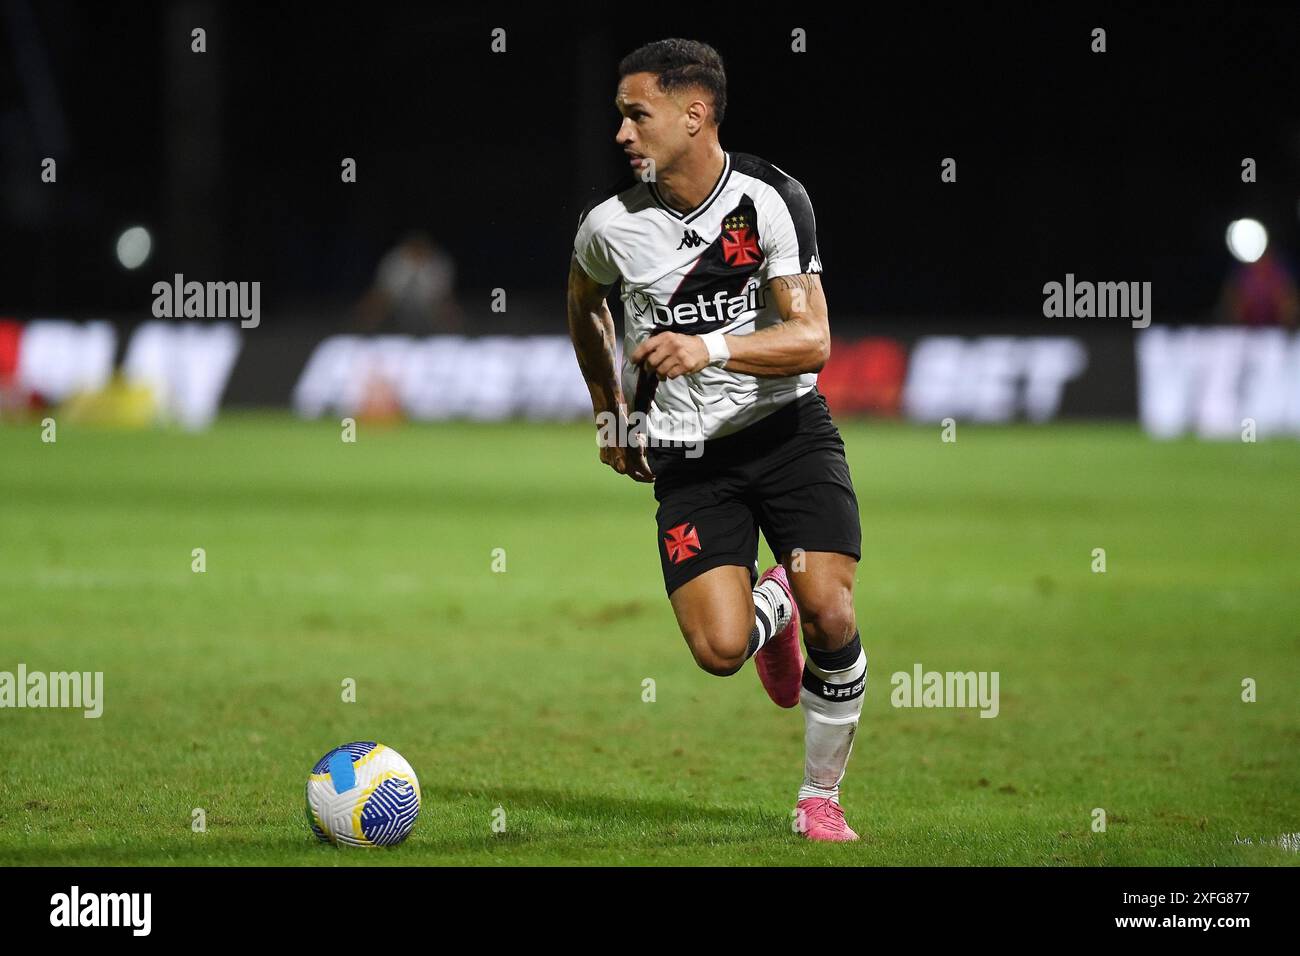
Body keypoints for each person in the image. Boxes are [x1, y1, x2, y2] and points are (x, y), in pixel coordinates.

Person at [565, 38, 865, 841]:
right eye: (619, 117)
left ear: (694, 115)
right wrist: (608, 407)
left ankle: (819, 798)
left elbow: (812, 340)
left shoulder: (770, 199)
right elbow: (583, 302)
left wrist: (710, 346)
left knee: (832, 608)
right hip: (690, 457)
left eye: (638, 114)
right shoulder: (609, 227)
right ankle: (772, 608)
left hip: (788, 434)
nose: (623, 134)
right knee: (720, 650)